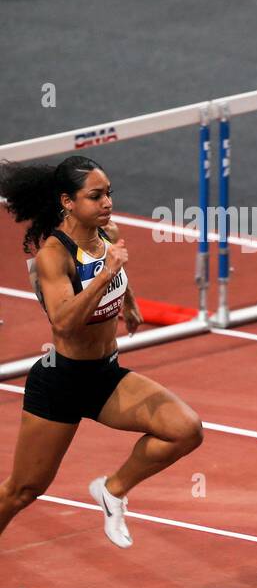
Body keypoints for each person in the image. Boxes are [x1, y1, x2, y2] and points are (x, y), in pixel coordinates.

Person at [0, 156, 204, 546]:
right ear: (68, 201)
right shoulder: (54, 256)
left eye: (109, 193)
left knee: (185, 430)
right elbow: (63, 322)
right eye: (95, 196)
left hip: (104, 376)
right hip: (60, 384)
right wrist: (108, 273)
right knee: (22, 491)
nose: (107, 202)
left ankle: (112, 491)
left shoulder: (106, 233)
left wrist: (128, 300)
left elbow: (113, 270)